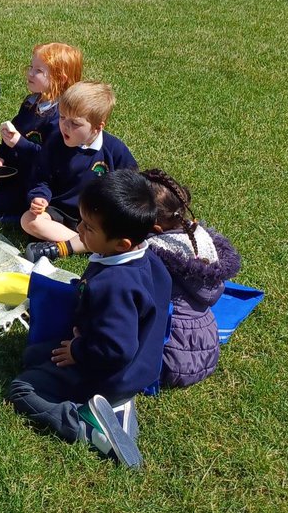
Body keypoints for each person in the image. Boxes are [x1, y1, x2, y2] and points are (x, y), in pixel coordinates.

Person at [9, 170, 173, 468]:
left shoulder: (114, 285)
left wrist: (79, 350)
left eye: (88, 227)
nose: (79, 230)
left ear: (121, 243)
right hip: (140, 367)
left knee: (23, 387)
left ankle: (86, 425)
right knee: (34, 354)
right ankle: (119, 407)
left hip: (111, 370)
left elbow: (116, 348)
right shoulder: (151, 262)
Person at [141, 169, 241, 388]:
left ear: (155, 227)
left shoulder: (156, 252)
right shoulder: (200, 237)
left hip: (168, 359)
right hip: (206, 349)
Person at [22, 81, 137, 261]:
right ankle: (89, 245)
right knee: (29, 220)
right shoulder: (54, 142)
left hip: (95, 217)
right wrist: (40, 196)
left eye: (75, 123)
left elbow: (131, 187)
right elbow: (41, 176)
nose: (65, 126)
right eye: (62, 117)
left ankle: (71, 245)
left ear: (98, 127)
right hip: (60, 213)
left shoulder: (114, 151)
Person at [0, 42, 83, 215]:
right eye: (31, 67)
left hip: (39, 181)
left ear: (60, 78)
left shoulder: (61, 117)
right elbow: (16, 130)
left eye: (38, 70)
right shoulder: (31, 102)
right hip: (18, 170)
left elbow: (52, 158)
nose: (30, 73)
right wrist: (1, 153)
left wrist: (19, 143)